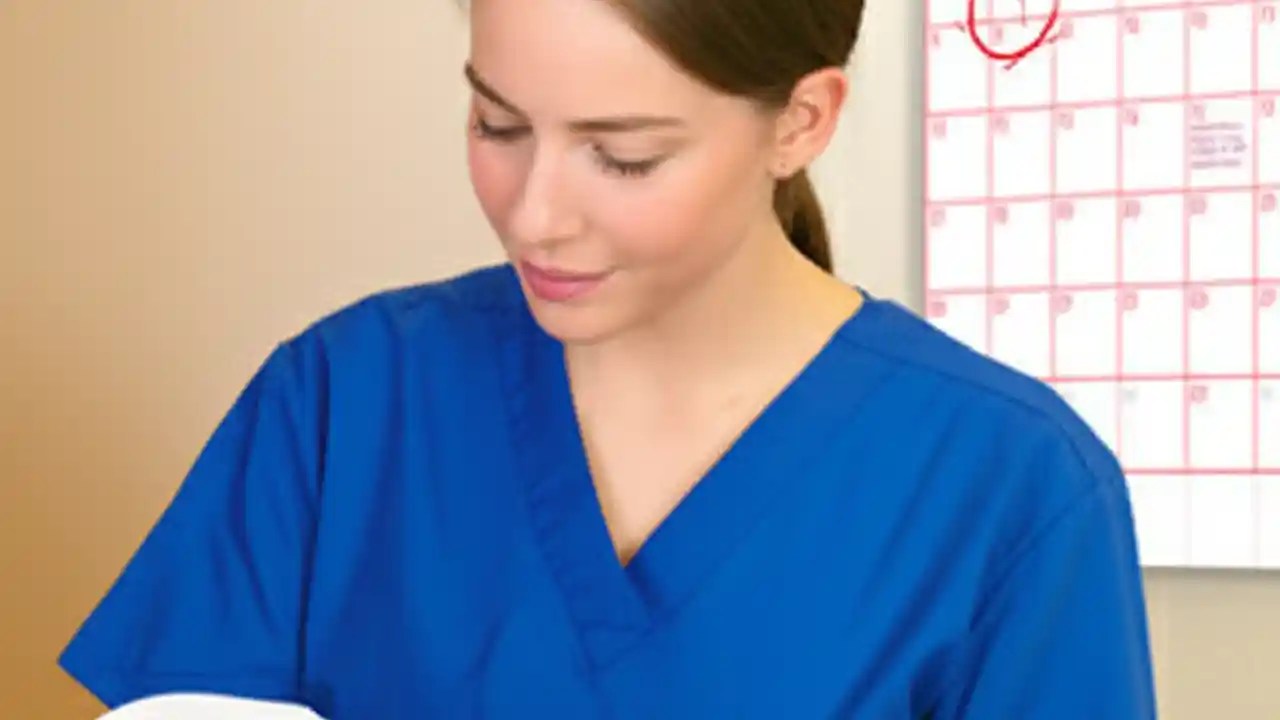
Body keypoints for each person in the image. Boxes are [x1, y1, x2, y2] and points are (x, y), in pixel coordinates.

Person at [59, 0, 1158, 717]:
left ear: (801, 120)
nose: (534, 217)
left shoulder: (1007, 487)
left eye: (622, 158)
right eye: (495, 127)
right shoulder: (346, 400)